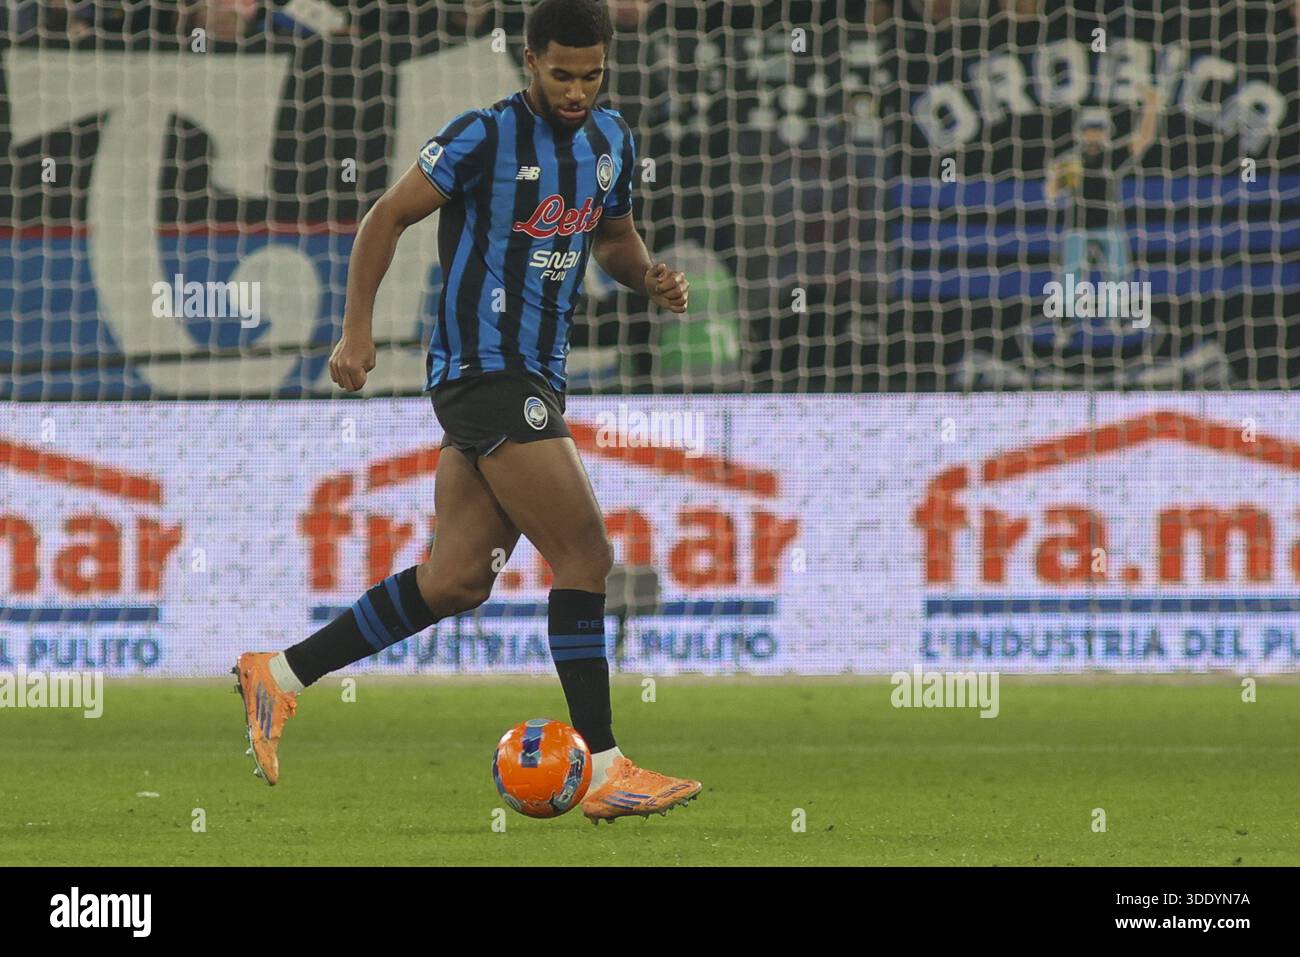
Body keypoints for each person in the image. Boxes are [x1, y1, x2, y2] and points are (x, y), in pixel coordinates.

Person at [233, 0, 701, 824]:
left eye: (591, 76)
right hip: (484, 371)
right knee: (586, 551)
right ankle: (605, 767)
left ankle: (279, 673)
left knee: (454, 581)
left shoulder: (611, 140)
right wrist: (356, 333)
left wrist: (648, 275)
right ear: (528, 61)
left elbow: (613, 238)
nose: (576, 91)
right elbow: (387, 215)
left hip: (536, 375)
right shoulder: (482, 135)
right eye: (561, 74)